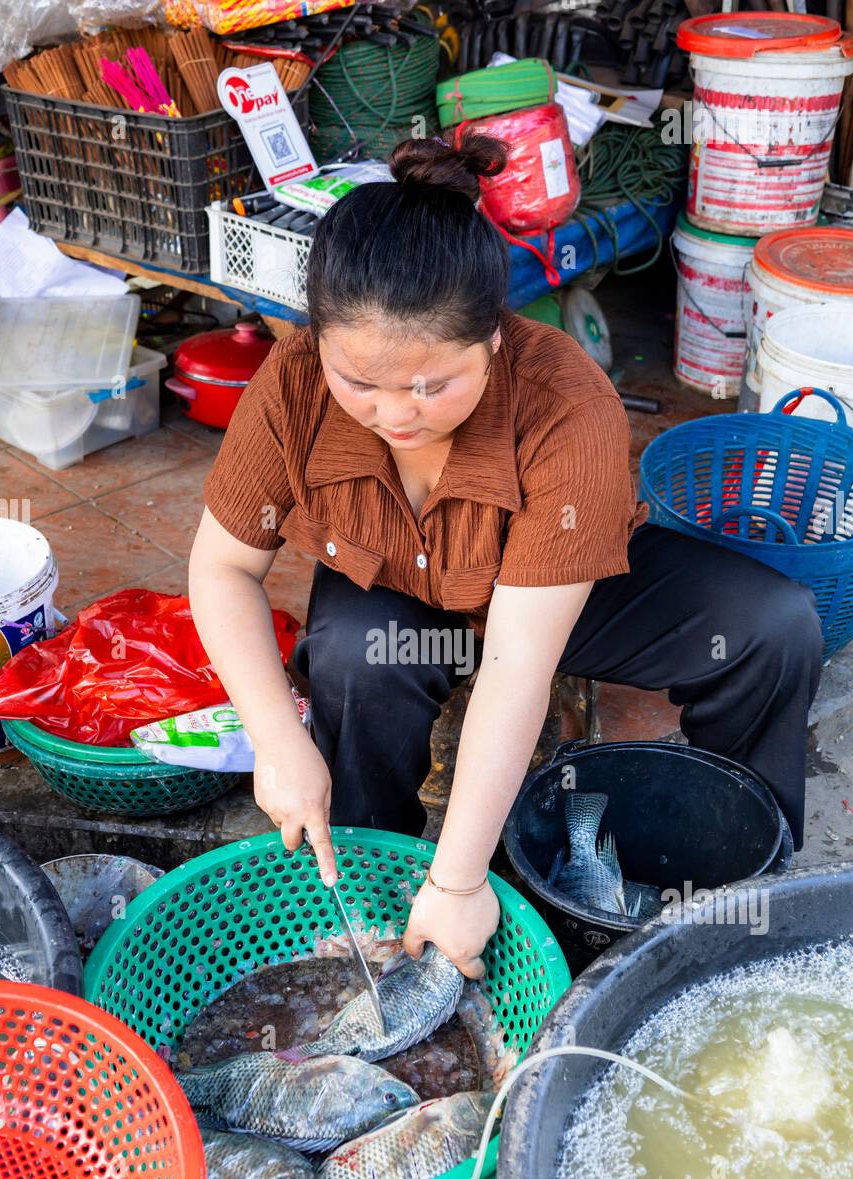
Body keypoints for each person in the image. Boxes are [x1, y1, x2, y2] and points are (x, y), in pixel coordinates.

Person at [189, 134, 822, 979]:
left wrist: (458, 887)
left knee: (773, 627)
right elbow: (222, 566)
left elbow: (518, 668)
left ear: (492, 340)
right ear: (321, 341)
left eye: (429, 385)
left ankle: (732, 875)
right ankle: (366, 896)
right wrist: (275, 738)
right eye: (360, 383)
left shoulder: (568, 405)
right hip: (392, 580)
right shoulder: (297, 378)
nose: (393, 414)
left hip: (545, 593)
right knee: (355, 655)